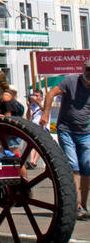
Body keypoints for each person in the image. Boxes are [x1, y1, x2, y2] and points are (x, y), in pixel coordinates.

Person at [43, 59, 90, 220]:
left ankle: (83, 204)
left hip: (86, 132)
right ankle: (75, 205)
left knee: (86, 167)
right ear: (84, 69)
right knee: (73, 165)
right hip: (66, 130)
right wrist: (46, 114)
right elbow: (51, 93)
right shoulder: (71, 81)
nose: (89, 73)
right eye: (88, 69)